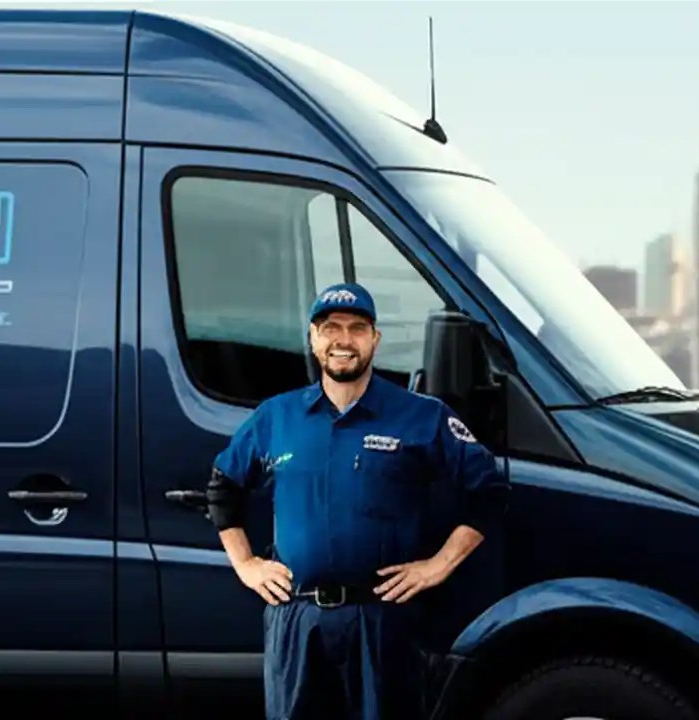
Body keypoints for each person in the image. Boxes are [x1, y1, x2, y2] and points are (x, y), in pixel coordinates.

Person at [204, 281, 509, 720]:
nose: (343, 340)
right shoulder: (277, 417)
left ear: (374, 339)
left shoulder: (421, 416)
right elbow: (223, 488)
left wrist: (439, 565)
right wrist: (246, 564)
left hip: (383, 622)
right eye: (330, 327)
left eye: (356, 328)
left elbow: (488, 491)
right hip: (298, 619)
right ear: (313, 339)